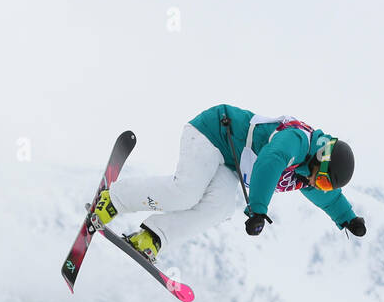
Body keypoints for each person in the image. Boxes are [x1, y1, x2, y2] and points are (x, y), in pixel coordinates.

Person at [93, 104, 365, 260]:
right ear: (322, 157)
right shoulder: (298, 141)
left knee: (220, 209)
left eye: (327, 185)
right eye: (324, 181)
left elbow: (324, 197)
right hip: (212, 132)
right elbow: (270, 161)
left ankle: (151, 236)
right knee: (186, 192)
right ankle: (114, 198)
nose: (320, 185)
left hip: (229, 163)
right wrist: (258, 209)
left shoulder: (309, 172)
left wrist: (347, 217)